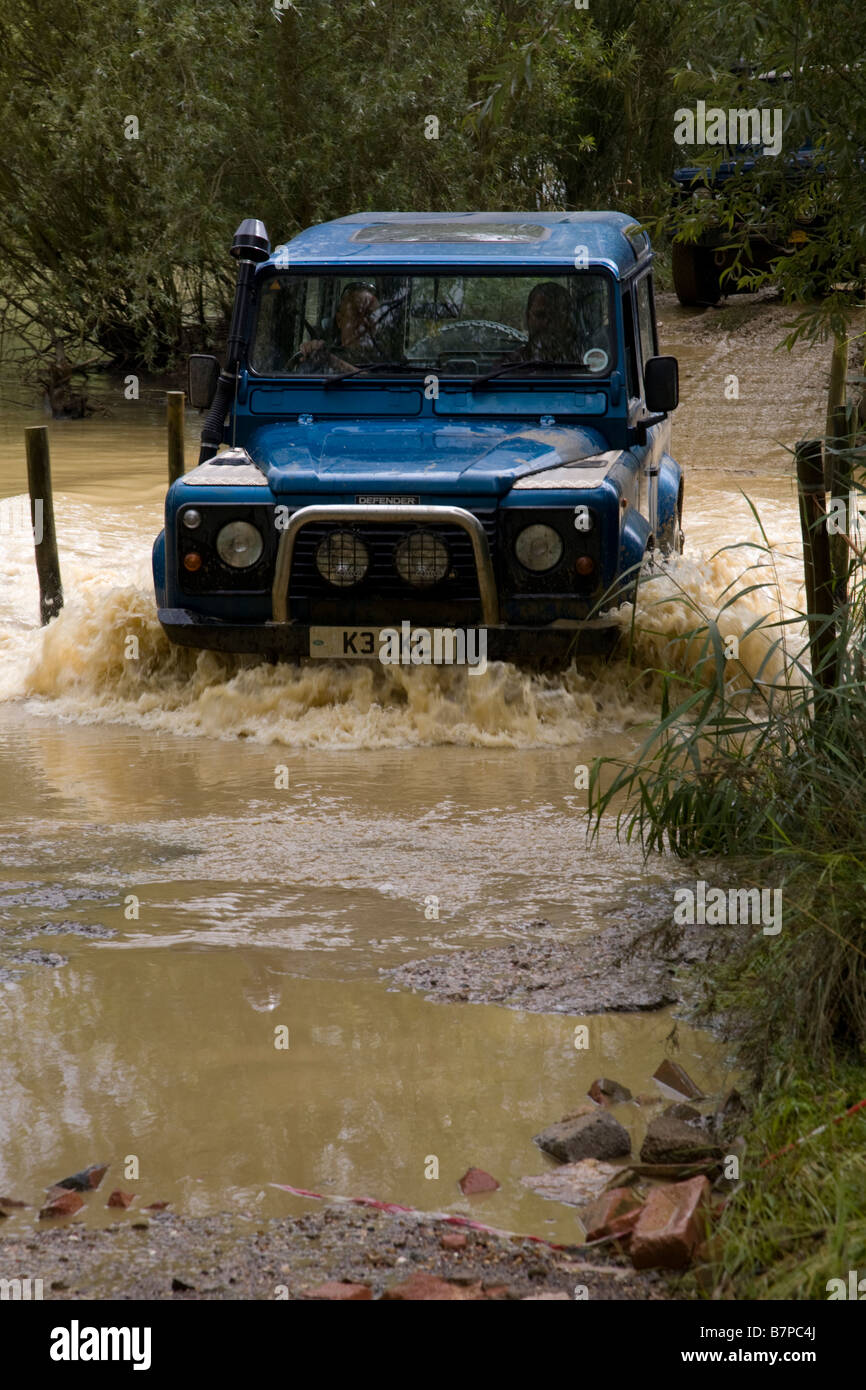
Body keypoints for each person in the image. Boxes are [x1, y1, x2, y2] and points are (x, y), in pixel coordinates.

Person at [297, 283, 382, 373]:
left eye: (371, 316)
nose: (365, 323)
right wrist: (310, 351)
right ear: (339, 320)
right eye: (357, 315)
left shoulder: (388, 360)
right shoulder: (320, 358)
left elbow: (376, 384)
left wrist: (333, 362)